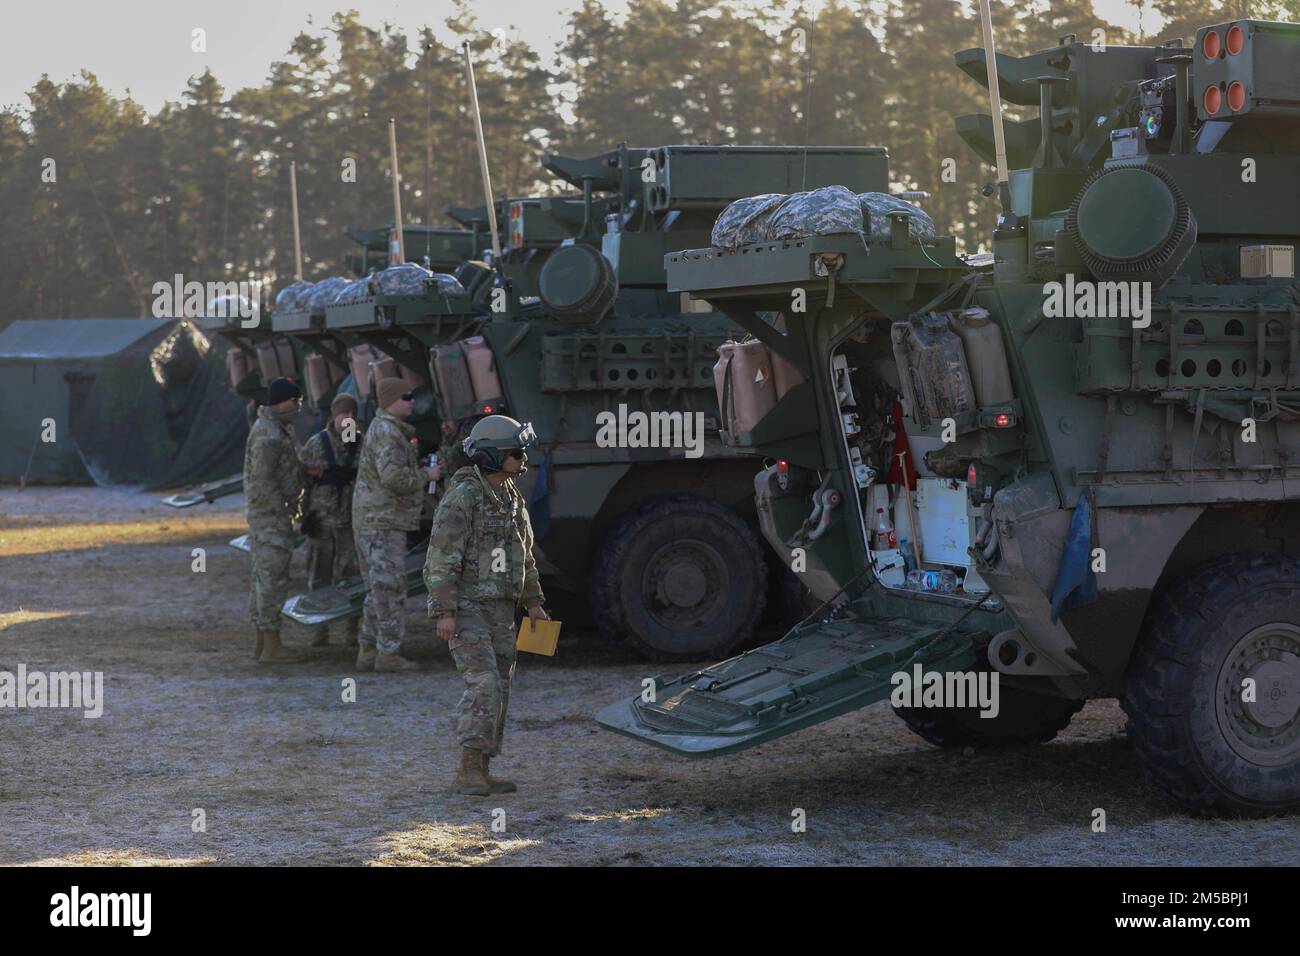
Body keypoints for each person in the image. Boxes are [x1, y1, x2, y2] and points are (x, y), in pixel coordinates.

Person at [424, 414, 549, 796]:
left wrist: (534, 603)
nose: (522, 459)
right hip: (467, 607)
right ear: (494, 456)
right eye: (515, 453)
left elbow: (523, 554)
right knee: (484, 684)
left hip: (500, 608)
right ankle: (467, 770)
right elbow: (441, 558)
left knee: (502, 688)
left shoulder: (511, 496)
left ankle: (483, 766)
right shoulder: (463, 498)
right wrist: (444, 610)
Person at [352, 377, 440, 673]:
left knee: (376, 587)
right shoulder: (389, 433)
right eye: (406, 396)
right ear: (390, 401)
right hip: (383, 521)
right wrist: (427, 475)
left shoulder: (383, 429)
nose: (412, 401)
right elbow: (393, 479)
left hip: (374, 520)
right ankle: (387, 653)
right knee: (391, 587)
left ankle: (367, 649)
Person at [243, 376, 308, 664]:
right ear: (281, 402)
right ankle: (271, 646)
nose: (297, 407)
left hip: (266, 517)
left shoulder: (274, 428)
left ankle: (263, 642)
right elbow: (263, 481)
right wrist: (283, 512)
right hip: (271, 519)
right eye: (295, 401)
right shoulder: (269, 435)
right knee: (272, 579)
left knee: (262, 577)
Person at [299, 392, 364, 647]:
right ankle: (320, 628)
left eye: (352, 415)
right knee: (319, 574)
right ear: (333, 416)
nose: (347, 419)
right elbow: (302, 482)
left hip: (350, 520)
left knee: (353, 574)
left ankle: (352, 629)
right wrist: (302, 516)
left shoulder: (361, 444)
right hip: (322, 520)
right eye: (342, 414)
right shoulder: (316, 444)